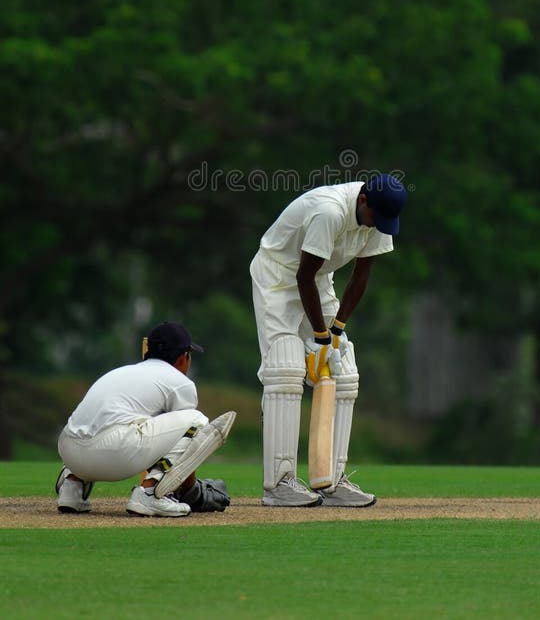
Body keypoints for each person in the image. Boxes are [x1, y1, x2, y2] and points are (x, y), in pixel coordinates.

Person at [250, 172, 407, 507]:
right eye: (372, 217)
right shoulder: (329, 211)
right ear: (363, 200)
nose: (374, 226)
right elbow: (302, 275)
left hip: (319, 282)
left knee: (344, 372)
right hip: (278, 277)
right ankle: (278, 483)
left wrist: (335, 330)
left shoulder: (377, 219)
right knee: (286, 370)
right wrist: (320, 336)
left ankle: (330, 481)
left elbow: (361, 276)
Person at [55, 321, 236, 517]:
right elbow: (186, 439)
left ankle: (71, 490)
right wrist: (190, 490)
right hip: (112, 453)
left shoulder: (118, 372)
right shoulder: (181, 383)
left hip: (68, 453)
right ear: (184, 357)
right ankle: (151, 494)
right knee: (198, 420)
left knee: (98, 419)